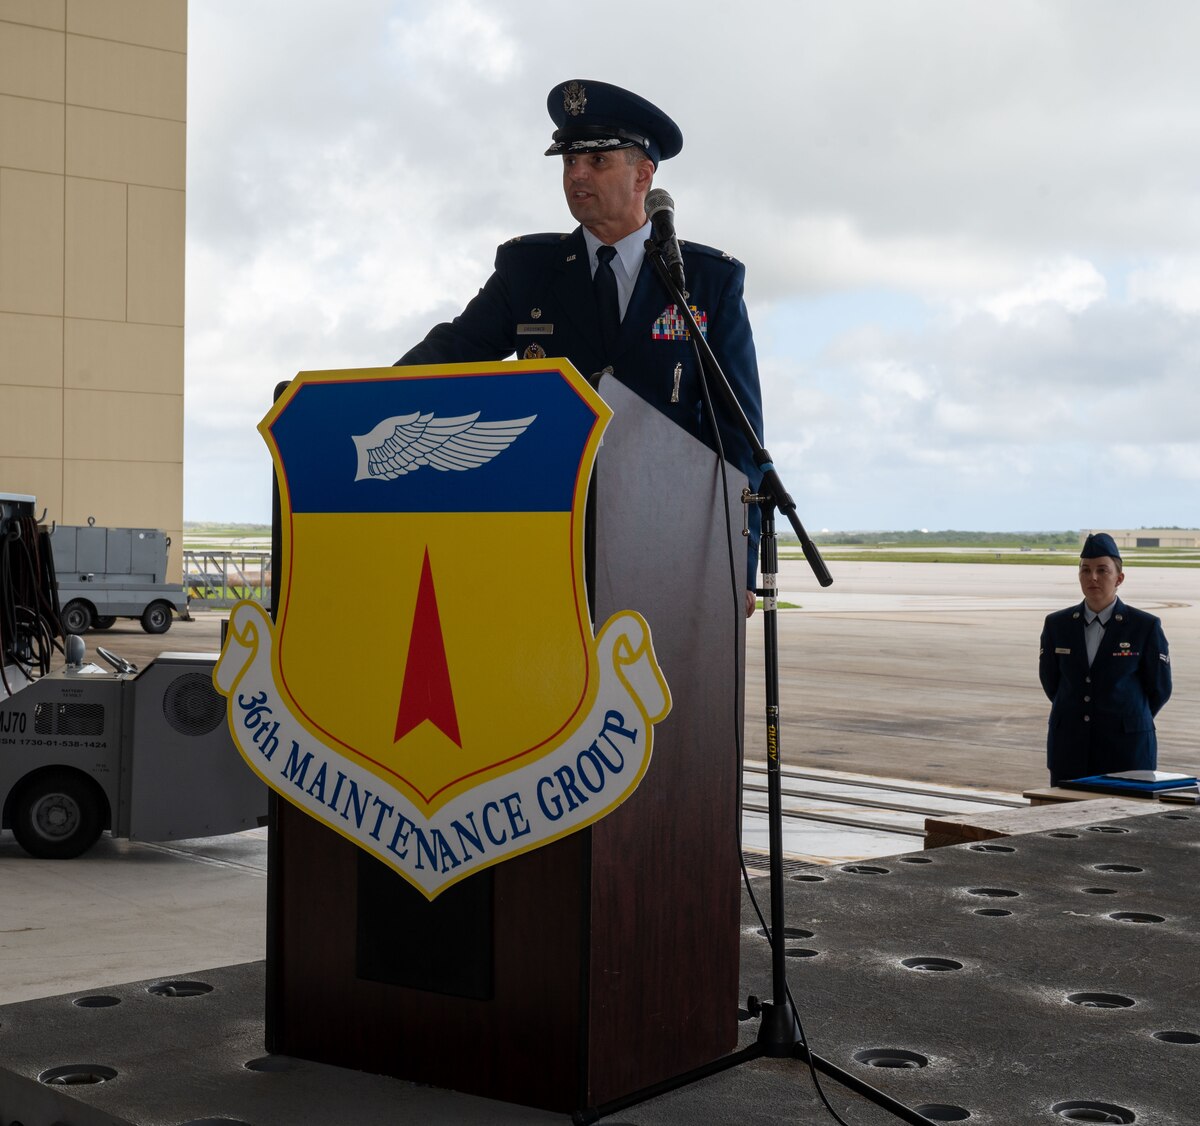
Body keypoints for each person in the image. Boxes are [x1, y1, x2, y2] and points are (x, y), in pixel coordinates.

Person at [396, 79, 765, 616]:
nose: (577, 175)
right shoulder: (529, 272)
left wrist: (739, 559)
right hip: (548, 537)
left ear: (644, 174)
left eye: (596, 160)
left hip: (667, 540)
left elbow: (738, 434)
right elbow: (452, 349)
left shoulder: (706, 283)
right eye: (568, 163)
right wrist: (361, 399)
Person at [1038, 533, 1172, 785]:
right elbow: (1052, 683)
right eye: (1085, 570)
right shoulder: (1057, 625)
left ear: (1119, 578)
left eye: (1102, 570)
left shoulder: (1144, 626)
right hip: (1070, 749)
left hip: (1126, 751)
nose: (1093, 577)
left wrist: (1123, 718)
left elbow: (1159, 690)